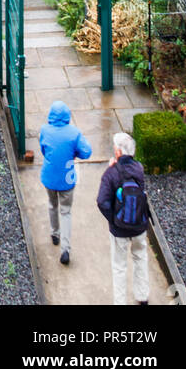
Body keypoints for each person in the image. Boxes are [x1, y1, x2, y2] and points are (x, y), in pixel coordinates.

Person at [97, 131, 151, 306]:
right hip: (139, 225)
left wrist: (113, 219)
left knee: (119, 267)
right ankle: (142, 297)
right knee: (140, 258)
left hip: (119, 229)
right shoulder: (139, 169)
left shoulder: (111, 173)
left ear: (119, 152)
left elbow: (102, 201)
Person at [39, 101, 93, 266]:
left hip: (49, 177)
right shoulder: (74, 133)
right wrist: (74, 153)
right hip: (67, 180)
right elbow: (87, 152)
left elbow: (44, 149)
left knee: (52, 205)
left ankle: (54, 233)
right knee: (66, 212)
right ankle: (65, 249)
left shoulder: (44, 130)